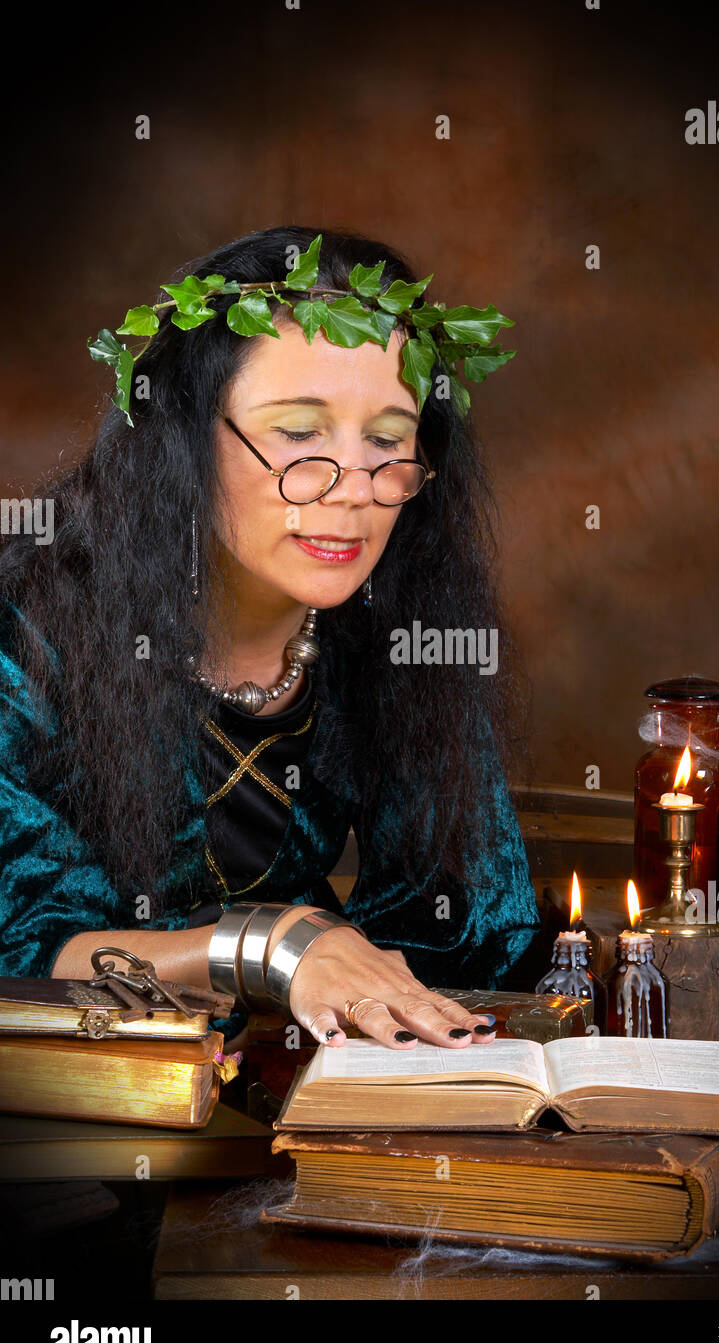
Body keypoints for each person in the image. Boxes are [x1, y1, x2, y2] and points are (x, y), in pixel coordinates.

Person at [0, 224, 540, 1052]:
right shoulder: (24, 627)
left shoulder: (404, 637)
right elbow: (21, 948)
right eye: (298, 433)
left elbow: (469, 927)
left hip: (274, 1089)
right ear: (181, 438)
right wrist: (275, 947)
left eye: (388, 441)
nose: (354, 489)